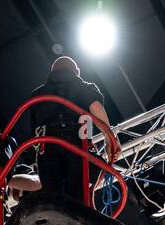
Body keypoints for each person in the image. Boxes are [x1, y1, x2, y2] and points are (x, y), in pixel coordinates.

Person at [28, 55, 120, 203]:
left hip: (47, 149)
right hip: (77, 145)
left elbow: (34, 136)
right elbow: (96, 107)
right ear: (76, 71)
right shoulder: (82, 85)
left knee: (54, 200)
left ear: (52, 72)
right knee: (79, 201)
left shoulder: (36, 94)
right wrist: (110, 138)